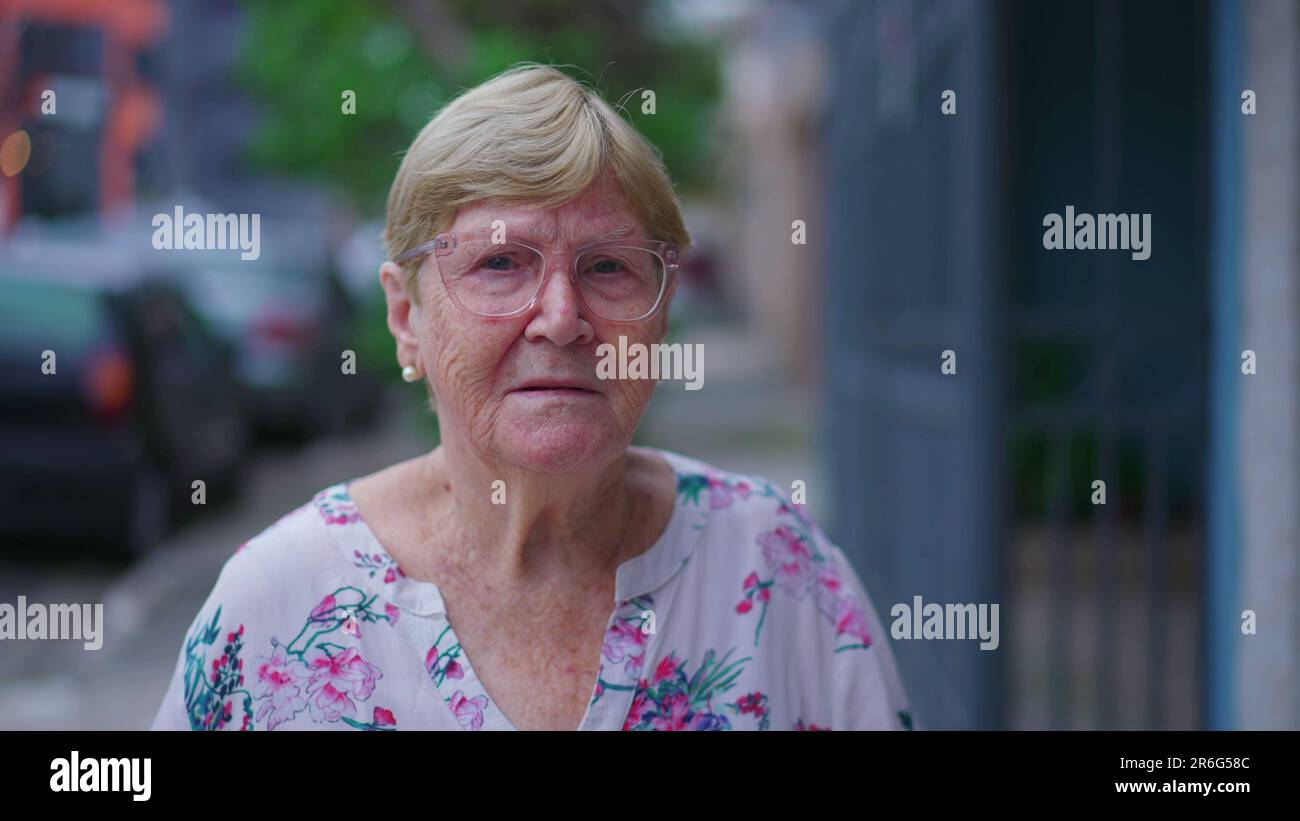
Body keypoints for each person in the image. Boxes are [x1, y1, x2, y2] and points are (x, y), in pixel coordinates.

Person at [149, 64, 911, 731]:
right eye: (501, 262)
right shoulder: (278, 603)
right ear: (406, 318)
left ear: (662, 308)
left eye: (609, 266)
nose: (561, 317)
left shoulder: (778, 571)